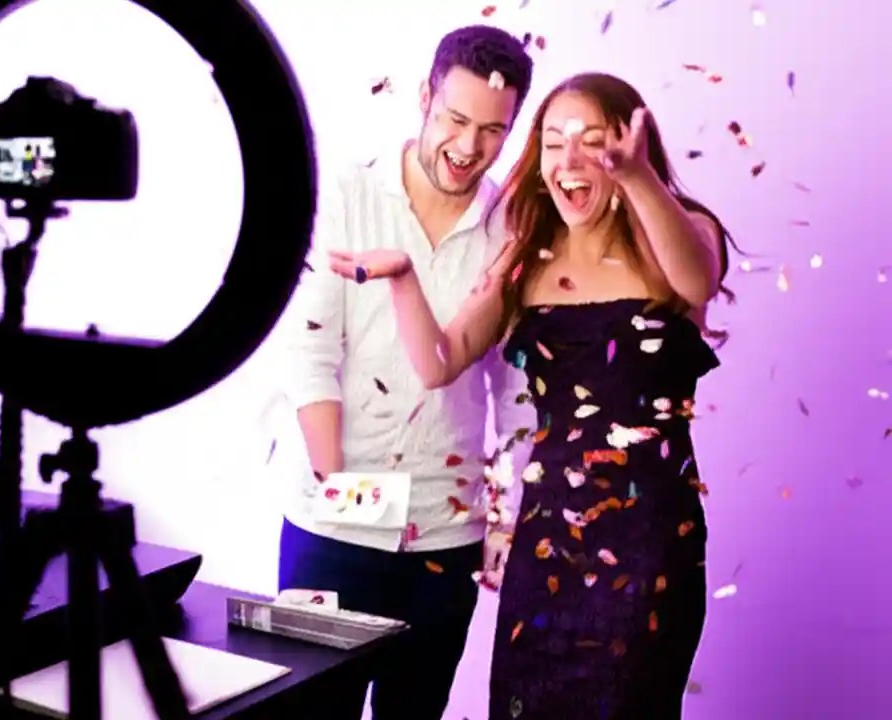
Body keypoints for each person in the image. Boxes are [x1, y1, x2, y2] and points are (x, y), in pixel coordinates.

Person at [327, 71, 735, 719]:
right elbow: (439, 362)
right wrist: (403, 278)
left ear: (633, 145)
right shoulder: (527, 255)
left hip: (648, 540)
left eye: (593, 142)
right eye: (552, 143)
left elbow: (696, 282)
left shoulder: (683, 233)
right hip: (545, 545)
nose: (569, 160)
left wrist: (634, 177)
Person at [278, 25, 537, 720]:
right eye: (455, 120)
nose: (468, 147)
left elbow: (516, 395)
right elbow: (310, 351)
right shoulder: (347, 194)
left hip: (445, 535)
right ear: (424, 98)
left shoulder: (513, 227)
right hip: (329, 530)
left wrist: (505, 519)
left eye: (492, 131)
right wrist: (340, 492)